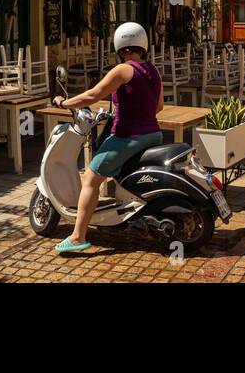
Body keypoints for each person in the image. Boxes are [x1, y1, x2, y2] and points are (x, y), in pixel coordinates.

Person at [51, 22, 163, 253]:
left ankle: (77, 237)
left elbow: (92, 95)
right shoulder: (153, 70)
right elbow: (158, 106)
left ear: (120, 48)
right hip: (153, 134)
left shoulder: (122, 70)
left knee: (90, 178)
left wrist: (64, 102)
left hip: (128, 136)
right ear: (142, 44)